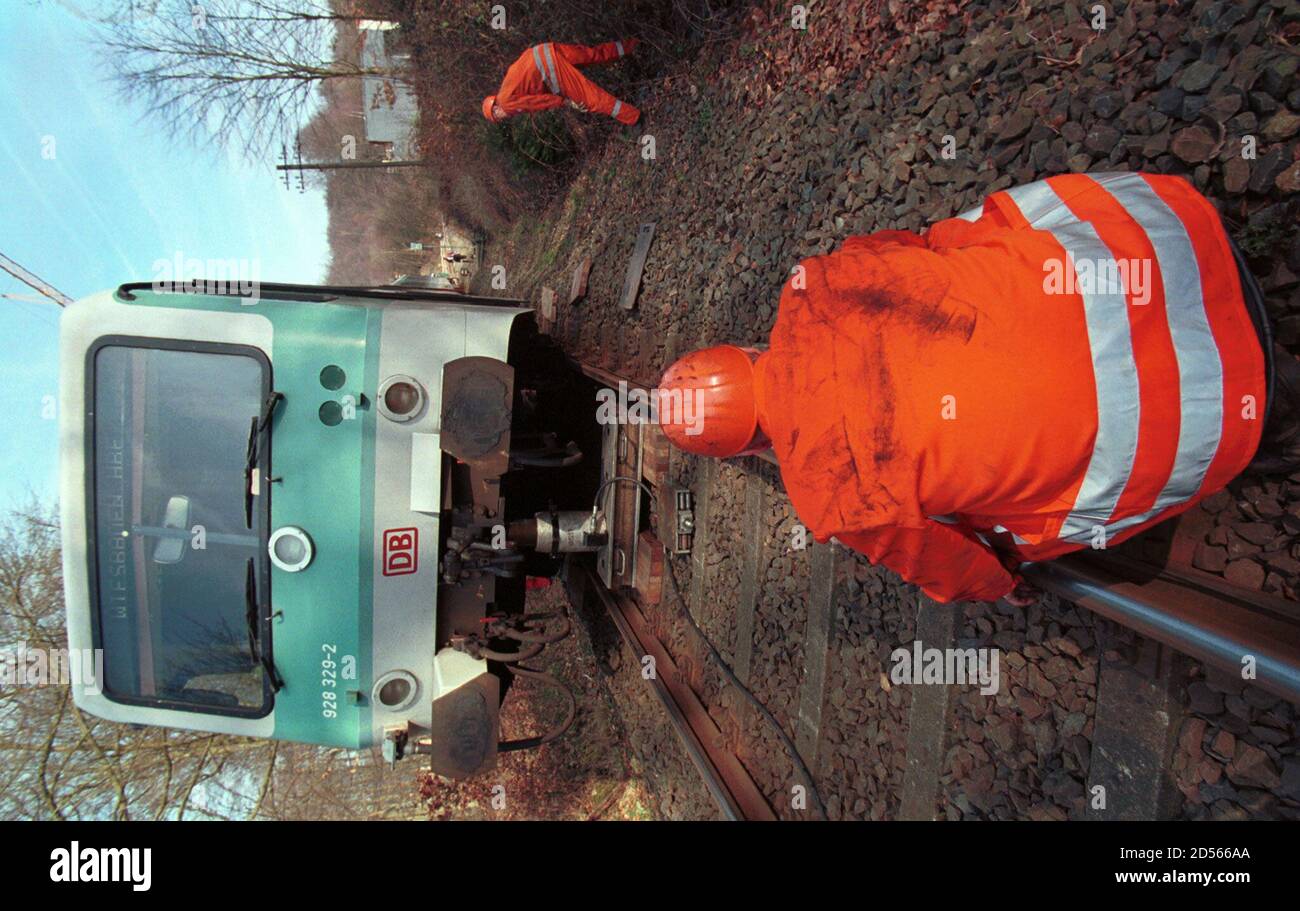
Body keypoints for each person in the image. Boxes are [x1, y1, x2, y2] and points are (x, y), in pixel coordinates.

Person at [656, 172, 1282, 605]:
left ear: (744, 449)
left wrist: (1004, 585)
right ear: (744, 350)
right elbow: (925, 242)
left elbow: (951, 564)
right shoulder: (813, 285)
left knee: (1000, 534)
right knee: (970, 234)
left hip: (1203, 414)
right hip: (1160, 253)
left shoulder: (830, 501)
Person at [482, 39, 641, 126]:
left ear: (495, 108)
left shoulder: (507, 104)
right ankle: (634, 44)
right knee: (591, 54)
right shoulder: (506, 88)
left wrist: (564, 102)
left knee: (589, 98)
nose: (502, 118)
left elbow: (537, 102)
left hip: (549, 66)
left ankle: (634, 117)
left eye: (497, 116)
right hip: (546, 50)